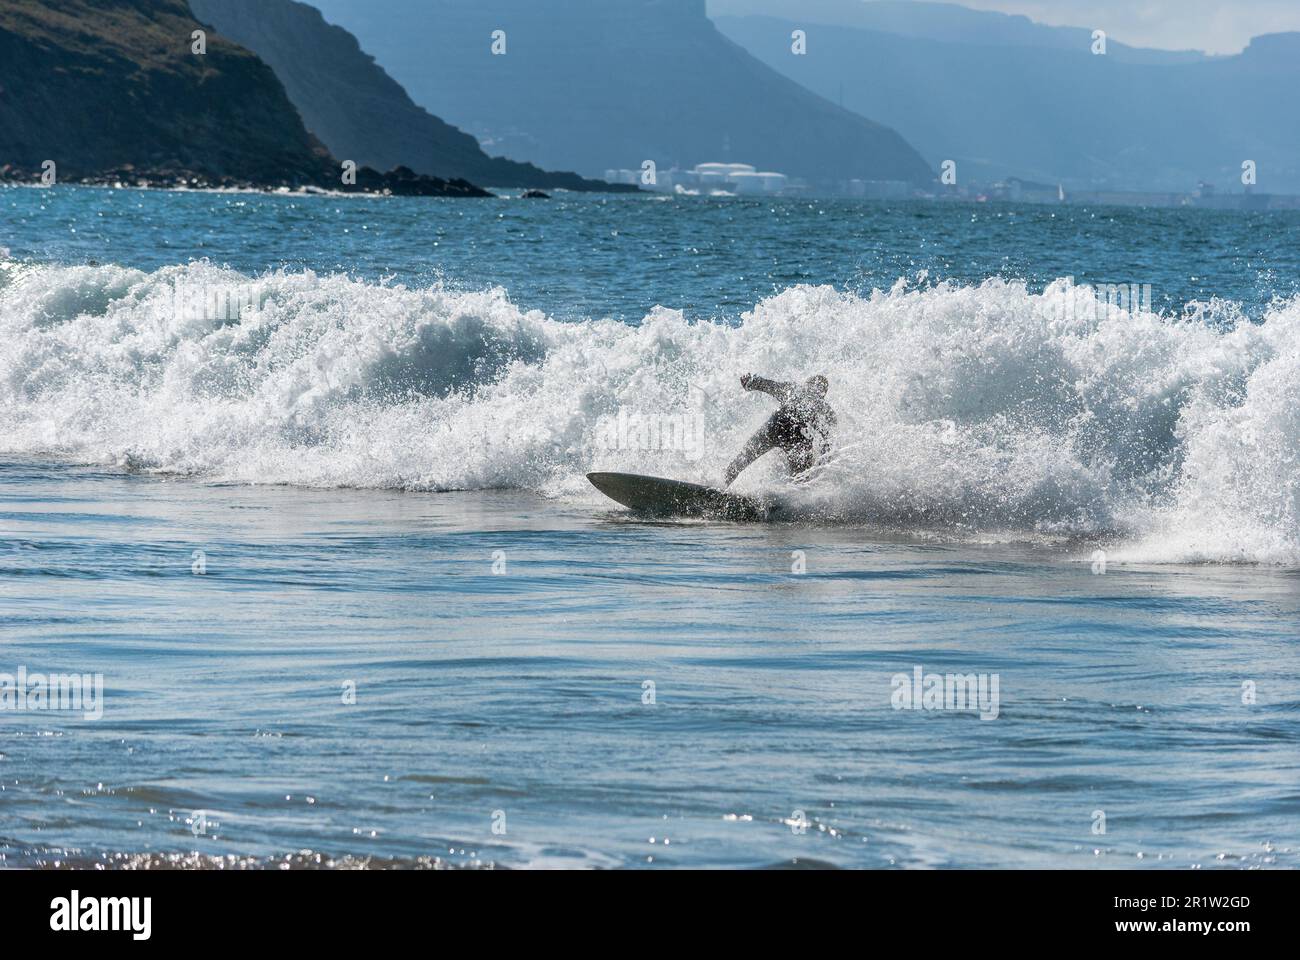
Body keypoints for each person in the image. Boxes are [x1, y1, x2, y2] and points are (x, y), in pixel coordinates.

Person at [724, 374, 837, 487]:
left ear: (806, 384)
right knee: (802, 478)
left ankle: (723, 482)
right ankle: (797, 497)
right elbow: (827, 436)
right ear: (823, 393)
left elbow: (768, 385)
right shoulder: (824, 407)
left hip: (775, 425)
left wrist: (750, 383)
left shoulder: (792, 389)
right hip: (797, 438)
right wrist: (825, 458)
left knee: (744, 457)